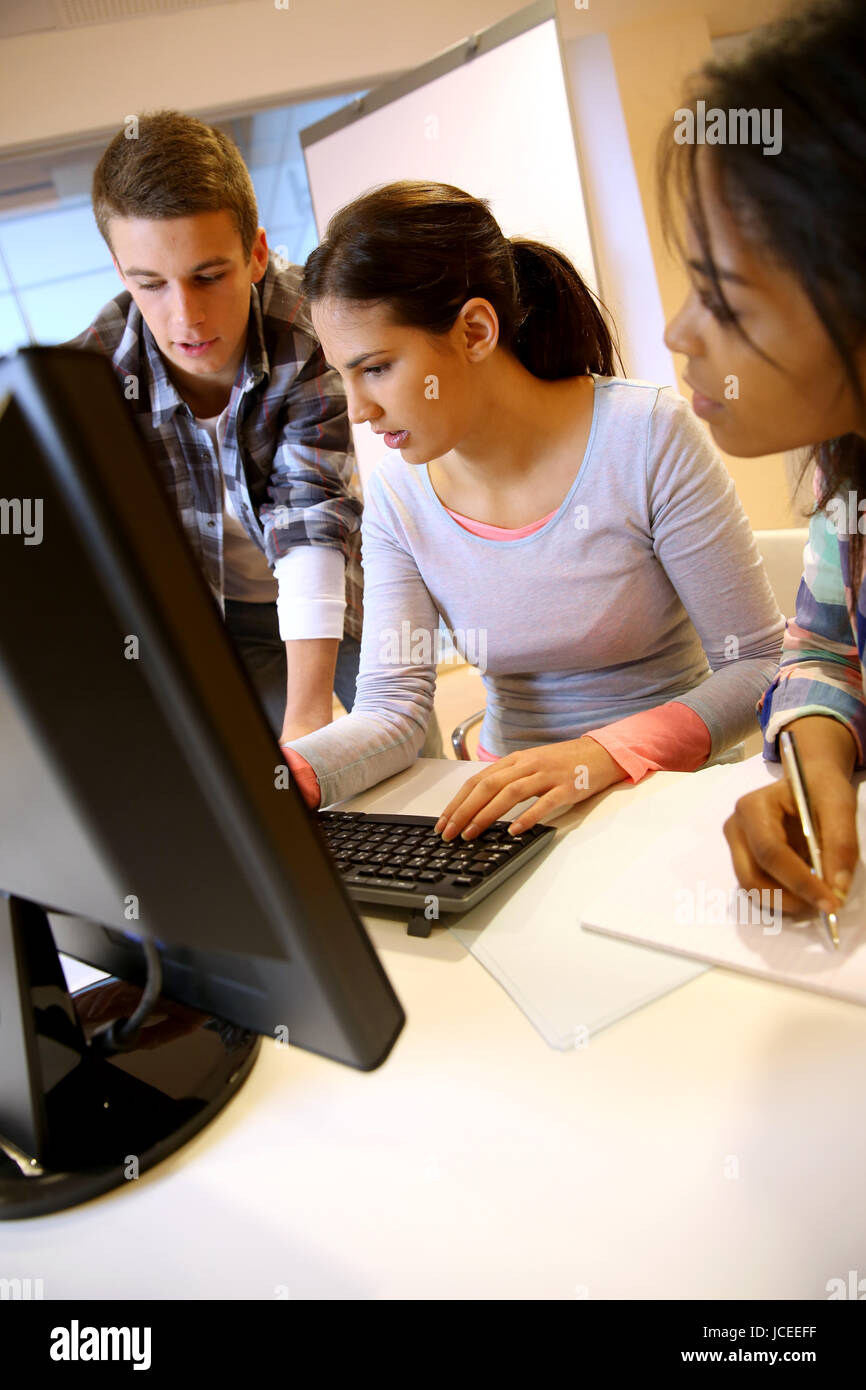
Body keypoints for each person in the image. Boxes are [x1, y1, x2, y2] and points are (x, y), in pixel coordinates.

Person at [281, 178, 785, 842]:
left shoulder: (646, 436)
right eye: (342, 375)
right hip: (510, 811)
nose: (358, 410)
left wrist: (597, 757)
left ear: (477, 331)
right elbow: (394, 712)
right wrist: (277, 780)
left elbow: (760, 664)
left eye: (375, 368)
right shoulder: (400, 499)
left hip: (666, 796)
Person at [65, 109, 443, 759]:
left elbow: (310, 517)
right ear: (120, 272)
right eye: (150, 285)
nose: (185, 316)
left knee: (406, 762)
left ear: (257, 253)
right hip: (207, 624)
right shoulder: (90, 375)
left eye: (209, 276)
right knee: (266, 793)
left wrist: (308, 716)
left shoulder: (312, 328)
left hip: (333, 596)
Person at [659, 0, 866, 917]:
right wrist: (815, 758)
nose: (678, 332)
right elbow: (825, 644)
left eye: (721, 296)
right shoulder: (848, 478)